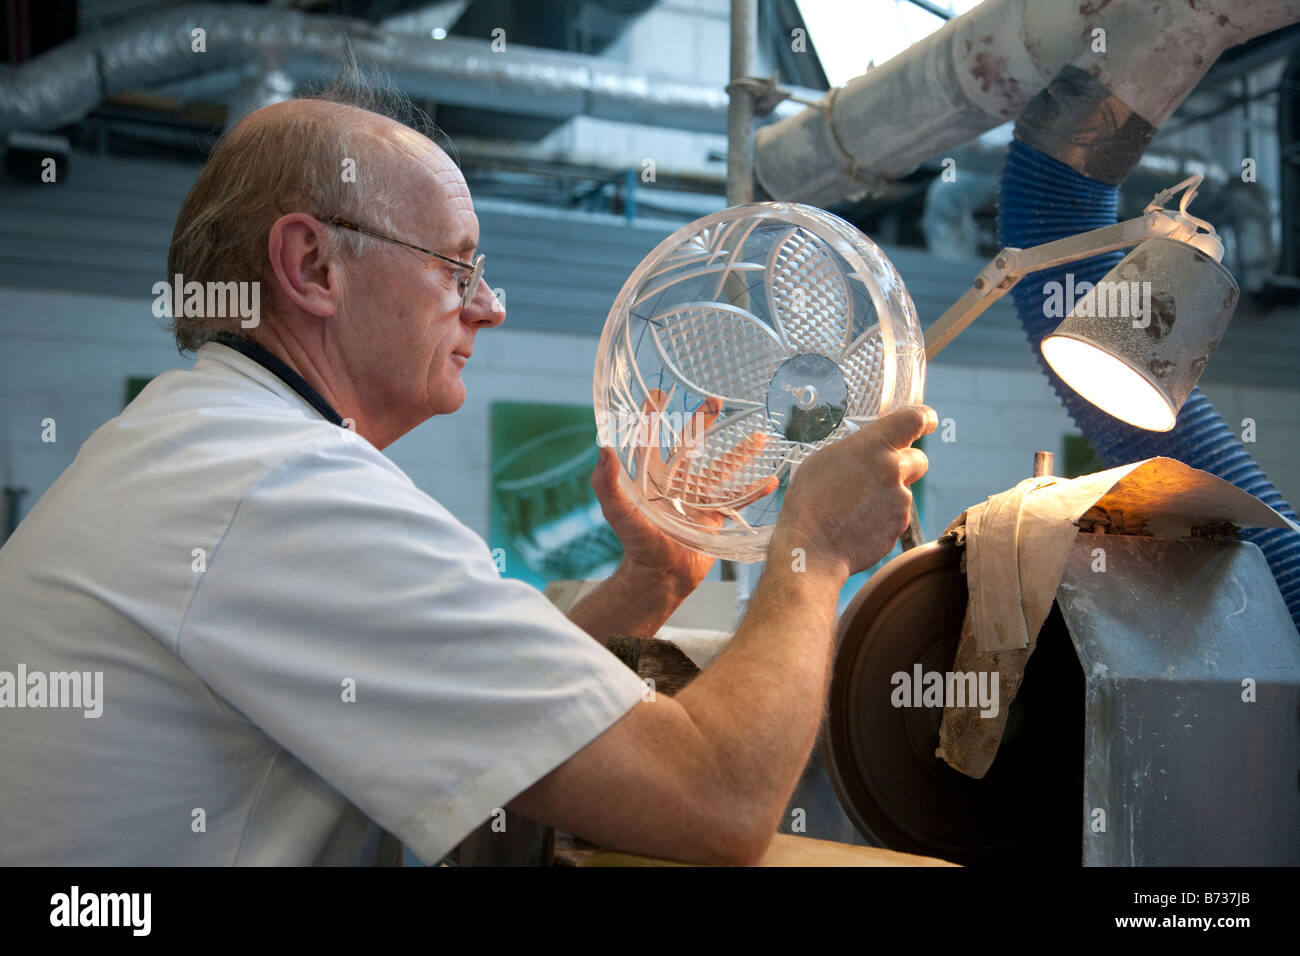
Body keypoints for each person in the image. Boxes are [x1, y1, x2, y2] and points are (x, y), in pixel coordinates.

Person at [0, 81, 933, 866]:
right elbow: (716, 797)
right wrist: (811, 548)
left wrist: (649, 584)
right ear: (312, 264)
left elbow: (479, 721)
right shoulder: (281, 488)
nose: (487, 306)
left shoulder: (194, 443)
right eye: (456, 265)